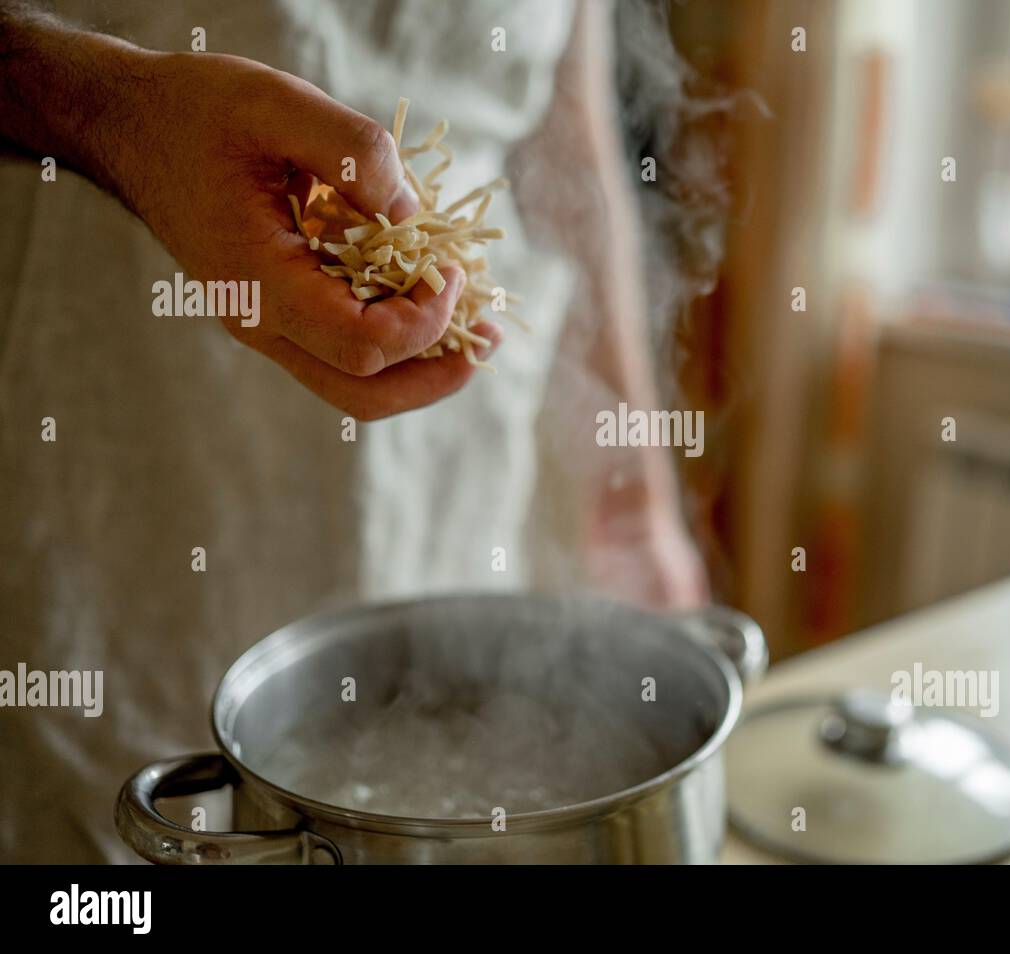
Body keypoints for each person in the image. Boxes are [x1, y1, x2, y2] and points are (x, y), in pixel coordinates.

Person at [0, 0, 707, 863]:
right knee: (125, 806)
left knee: (450, 770)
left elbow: (569, 127)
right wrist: (109, 109)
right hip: (133, 399)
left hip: (453, 442)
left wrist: (630, 502)